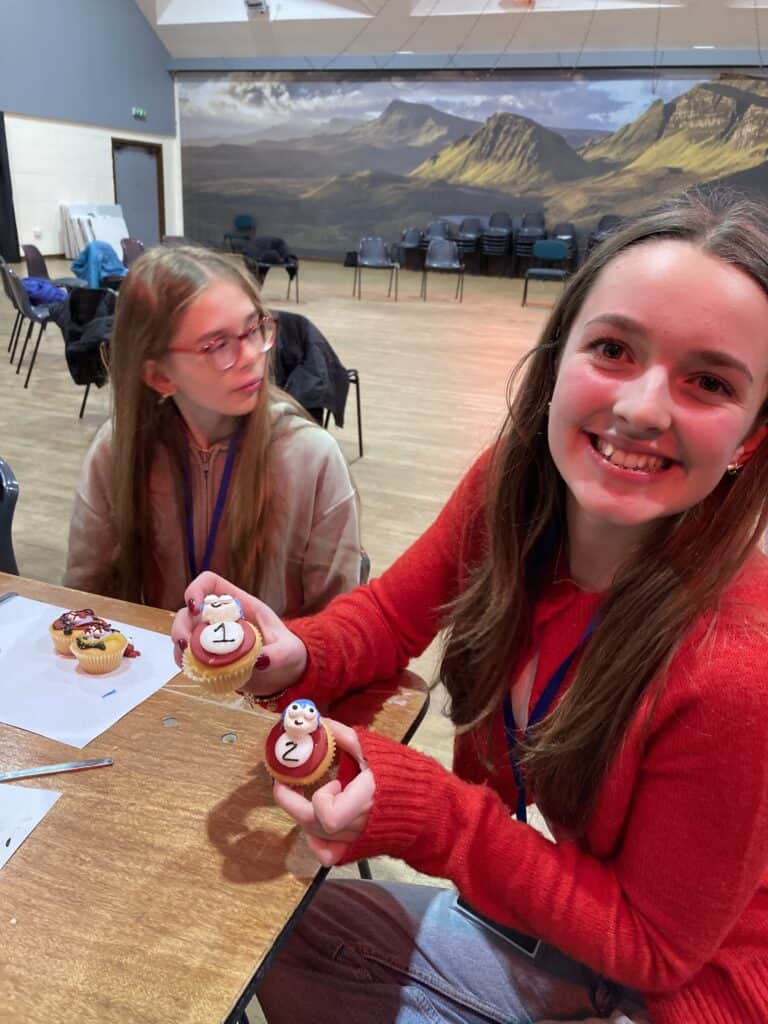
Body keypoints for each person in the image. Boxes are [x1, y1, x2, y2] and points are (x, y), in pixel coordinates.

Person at [172, 189, 768, 1024]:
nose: (640, 408)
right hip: (586, 923)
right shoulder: (513, 489)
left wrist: (432, 815)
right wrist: (293, 653)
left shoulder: (740, 670)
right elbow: (389, 617)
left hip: (694, 992)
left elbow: (655, 948)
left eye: (708, 381)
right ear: (560, 357)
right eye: (613, 349)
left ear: (749, 437)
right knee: (274, 934)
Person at [65, 245, 361, 617]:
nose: (253, 355)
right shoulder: (116, 451)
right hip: (158, 667)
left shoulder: (311, 457)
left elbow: (339, 623)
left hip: (278, 672)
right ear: (159, 376)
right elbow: (84, 600)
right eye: (217, 344)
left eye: (254, 329)